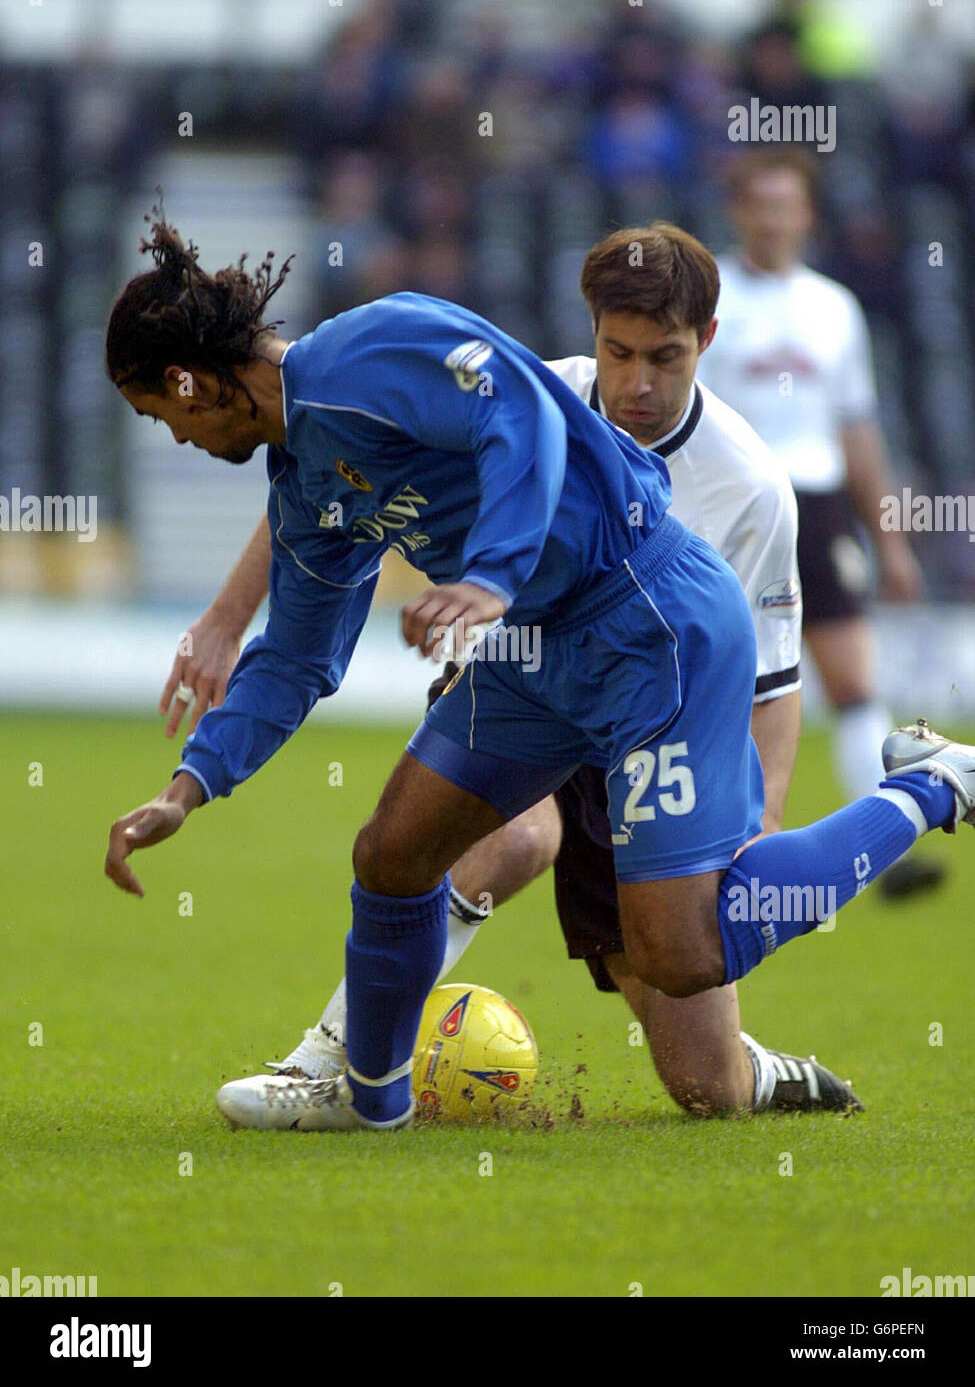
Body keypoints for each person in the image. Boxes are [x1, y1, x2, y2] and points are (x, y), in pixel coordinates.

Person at [104, 212, 974, 1135]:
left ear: (186, 381)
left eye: (158, 415)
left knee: (680, 957)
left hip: (651, 623)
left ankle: (927, 786)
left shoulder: (372, 346)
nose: (173, 436)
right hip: (537, 650)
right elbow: (298, 656)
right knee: (393, 851)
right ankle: (368, 1097)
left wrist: (488, 574)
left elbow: (512, 413)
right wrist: (191, 784)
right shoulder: (304, 482)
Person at [697, 148, 941, 902]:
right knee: (729, 682)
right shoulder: (711, 299)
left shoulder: (832, 308)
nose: (772, 219)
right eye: (758, 204)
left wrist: (888, 540)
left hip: (819, 505)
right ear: (738, 212)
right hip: (734, 507)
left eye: (785, 205)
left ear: (806, 214)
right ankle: (717, 844)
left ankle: (884, 847)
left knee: (851, 678)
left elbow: (857, 431)